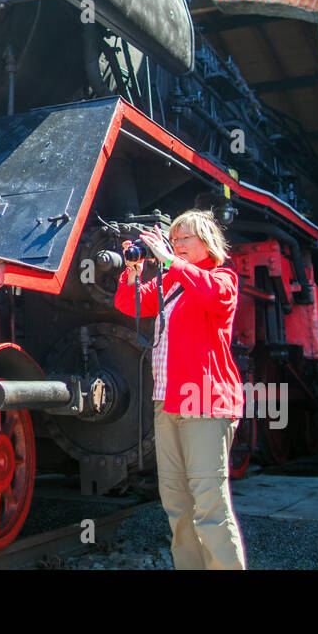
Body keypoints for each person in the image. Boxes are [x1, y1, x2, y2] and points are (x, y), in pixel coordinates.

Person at [114, 209, 246, 570]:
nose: (178, 244)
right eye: (174, 239)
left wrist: (170, 260)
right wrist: (133, 270)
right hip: (167, 402)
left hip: (205, 400)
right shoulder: (171, 284)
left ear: (208, 242)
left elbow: (213, 297)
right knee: (176, 501)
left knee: (209, 505)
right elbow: (128, 303)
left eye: (185, 238)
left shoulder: (223, 278)